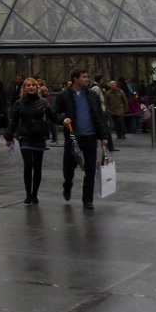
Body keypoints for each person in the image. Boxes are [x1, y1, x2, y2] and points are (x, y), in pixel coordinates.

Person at [54, 68, 108, 209]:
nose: (87, 79)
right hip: (73, 137)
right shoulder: (63, 96)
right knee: (69, 166)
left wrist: (103, 136)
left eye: (87, 77)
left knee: (90, 169)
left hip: (90, 136)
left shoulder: (92, 95)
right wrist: (63, 120)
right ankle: (68, 183)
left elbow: (100, 116)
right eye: (84, 77)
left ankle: (87, 199)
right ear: (75, 79)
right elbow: (55, 114)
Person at [5, 77, 58, 204]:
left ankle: (35, 194)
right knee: (28, 164)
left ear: (37, 87)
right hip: (25, 137)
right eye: (28, 85)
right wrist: (9, 136)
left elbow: (53, 116)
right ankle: (28, 194)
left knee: (38, 166)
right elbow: (14, 121)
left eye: (33, 85)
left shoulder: (44, 102)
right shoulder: (19, 103)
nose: (31, 87)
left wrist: (64, 120)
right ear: (24, 88)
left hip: (39, 136)